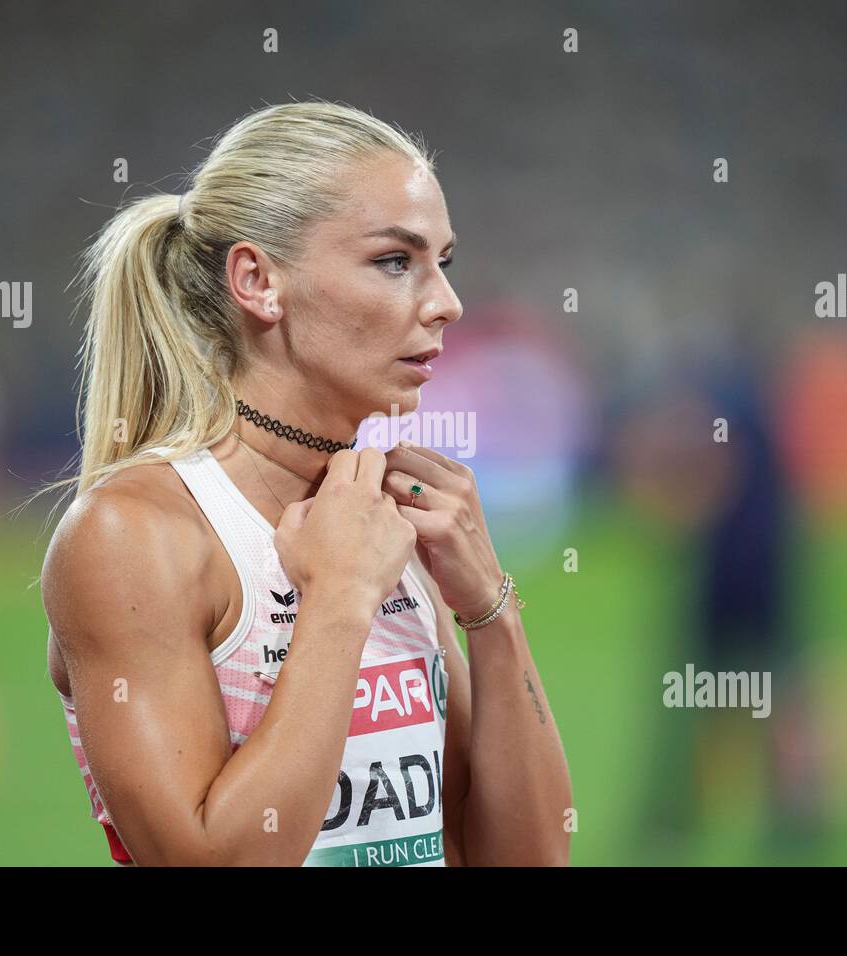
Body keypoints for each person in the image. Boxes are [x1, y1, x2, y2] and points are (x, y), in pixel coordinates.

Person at [38, 100, 572, 866]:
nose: (447, 303)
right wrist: (341, 598)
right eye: (396, 261)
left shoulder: (389, 518)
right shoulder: (133, 534)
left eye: (441, 263)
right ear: (258, 280)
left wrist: (490, 612)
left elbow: (528, 861)